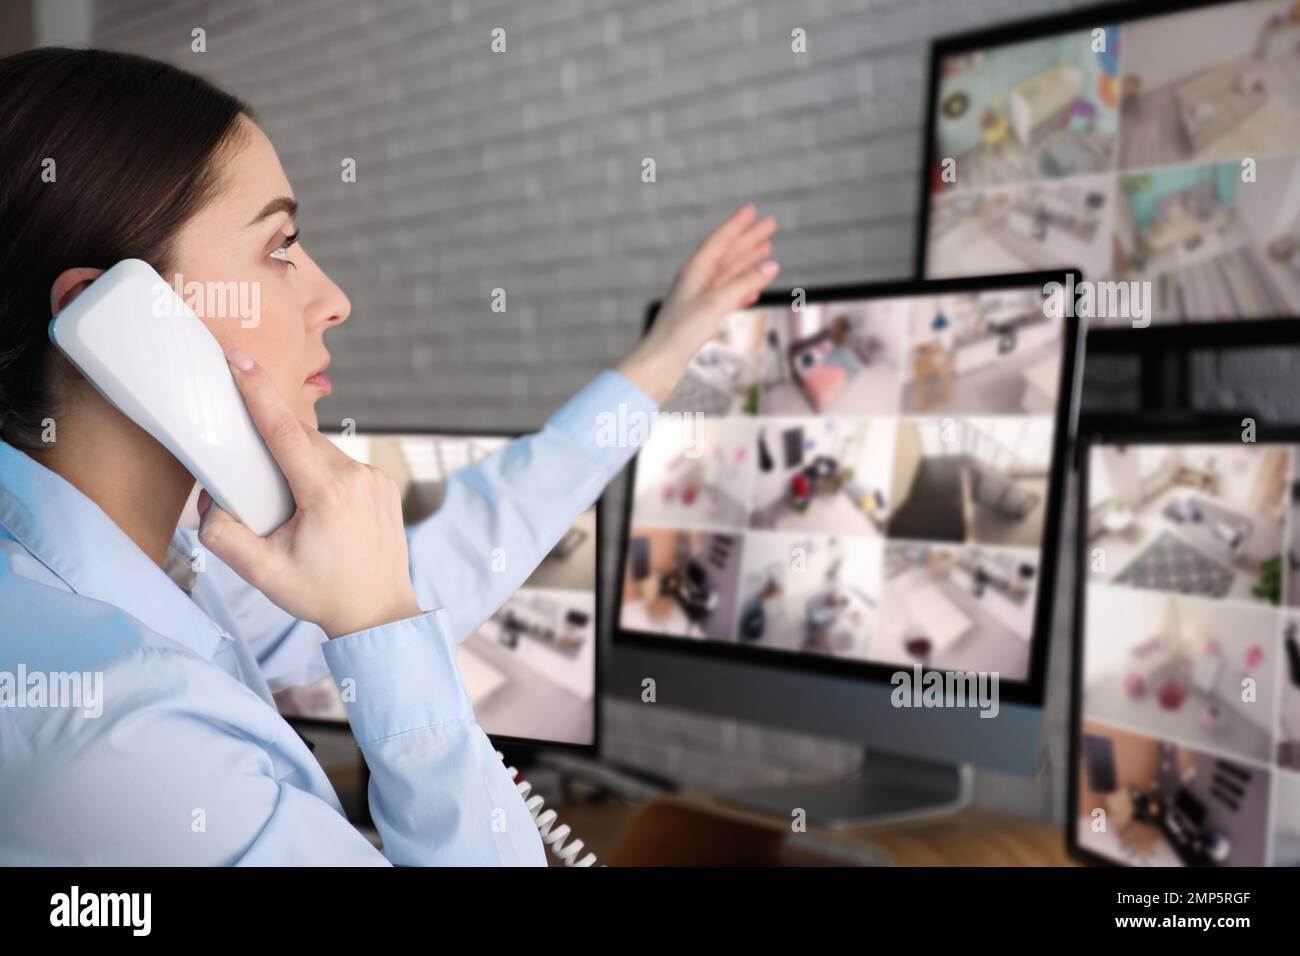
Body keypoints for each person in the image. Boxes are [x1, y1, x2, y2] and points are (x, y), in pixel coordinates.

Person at [0, 48, 779, 865]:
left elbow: (450, 559)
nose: (333, 300)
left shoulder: (148, 565)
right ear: (112, 321)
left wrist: (662, 356)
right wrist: (378, 623)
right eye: (279, 247)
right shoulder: (119, 737)